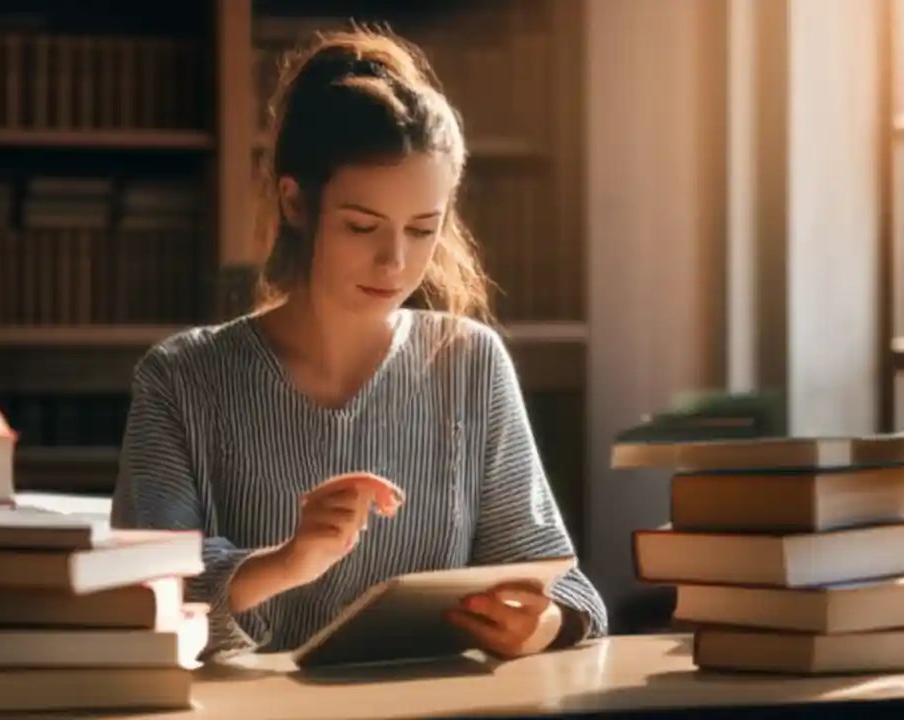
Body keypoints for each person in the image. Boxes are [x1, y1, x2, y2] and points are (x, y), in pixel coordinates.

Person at [112, 27, 607, 659]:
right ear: (295, 203)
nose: (394, 262)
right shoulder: (183, 377)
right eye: (361, 225)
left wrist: (542, 625)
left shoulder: (470, 364)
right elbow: (136, 601)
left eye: (422, 229)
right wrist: (287, 562)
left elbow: (568, 592)